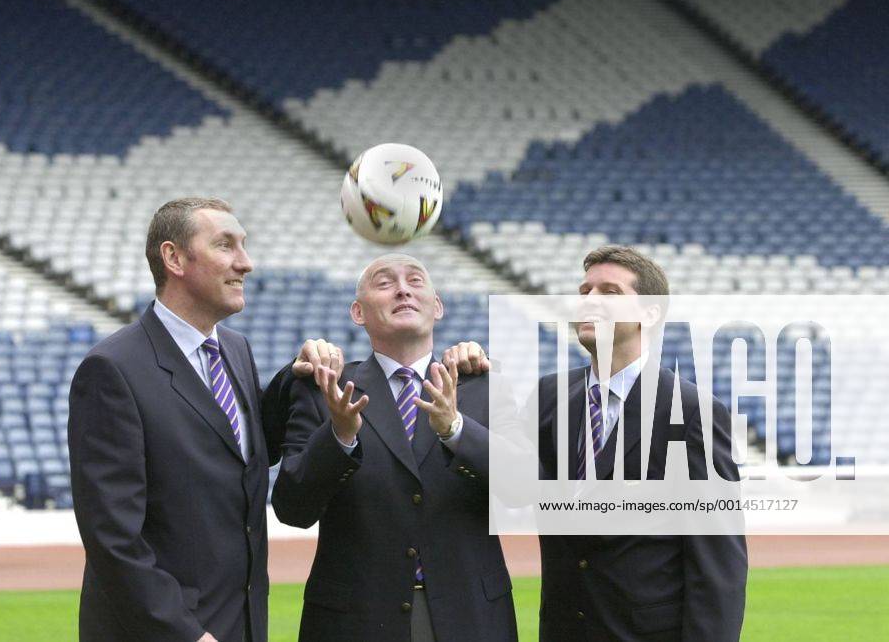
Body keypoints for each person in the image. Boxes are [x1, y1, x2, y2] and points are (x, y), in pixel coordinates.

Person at [68, 197, 341, 642]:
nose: (246, 263)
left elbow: (237, 451)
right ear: (174, 257)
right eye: (225, 245)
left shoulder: (235, 349)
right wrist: (186, 634)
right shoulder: (112, 370)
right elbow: (113, 539)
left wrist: (298, 376)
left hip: (241, 625)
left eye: (244, 246)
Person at [270, 253, 518, 642]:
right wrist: (338, 436)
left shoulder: (483, 385)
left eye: (416, 281)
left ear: (437, 306)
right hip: (354, 621)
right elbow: (292, 509)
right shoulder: (324, 388)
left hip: (470, 617)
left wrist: (456, 430)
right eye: (384, 283)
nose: (403, 289)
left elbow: (522, 491)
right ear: (358, 312)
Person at [536, 245, 747, 641]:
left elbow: (718, 564)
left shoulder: (691, 412)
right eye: (585, 292)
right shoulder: (550, 397)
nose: (590, 302)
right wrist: (467, 397)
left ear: (649, 313)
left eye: (610, 293)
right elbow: (502, 473)